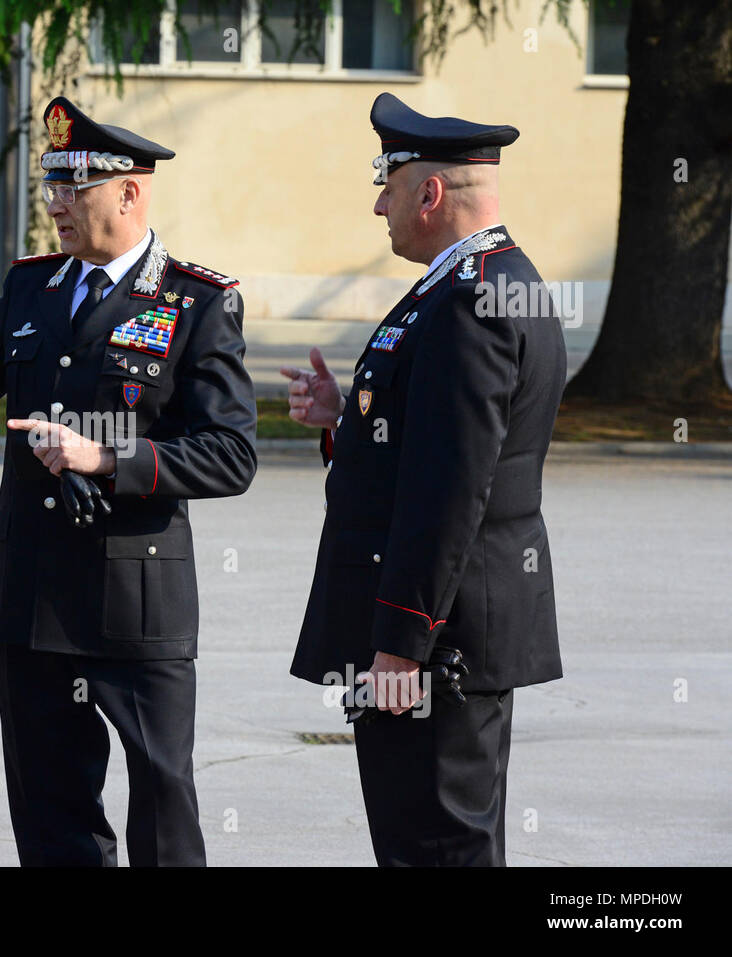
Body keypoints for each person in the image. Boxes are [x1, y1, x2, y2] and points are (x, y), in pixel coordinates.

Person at [0, 96, 257, 866]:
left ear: (130, 193)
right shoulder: (34, 287)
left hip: (137, 598)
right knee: (49, 811)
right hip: (33, 595)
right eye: (50, 187)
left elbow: (231, 453)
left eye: (75, 189)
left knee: (163, 805)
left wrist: (107, 458)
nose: (56, 206)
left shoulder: (197, 301)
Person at [283, 93, 567, 866]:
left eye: (389, 185)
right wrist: (347, 419)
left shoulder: (469, 300)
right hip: (453, 631)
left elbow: (450, 491)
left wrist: (403, 647)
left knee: (436, 849)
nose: (381, 206)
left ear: (431, 193)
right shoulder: (481, 280)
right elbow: (434, 447)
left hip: (439, 643)